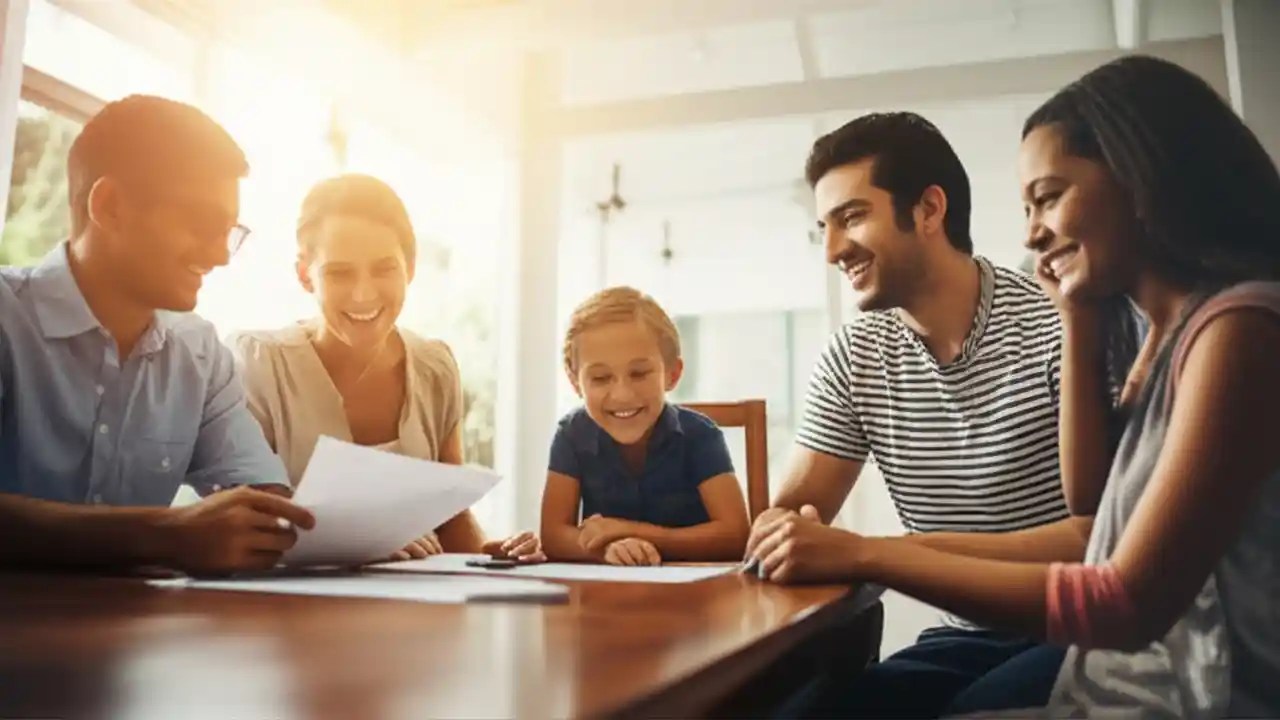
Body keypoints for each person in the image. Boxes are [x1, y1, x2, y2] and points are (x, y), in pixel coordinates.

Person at [749, 55, 1280, 718]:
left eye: (1049, 198)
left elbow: (1111, 576)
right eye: (1027, 206)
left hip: (1168, 670)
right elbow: (1097, 500)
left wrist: (875, 553)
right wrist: (1079, 317)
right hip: (1040, 643)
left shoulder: (1236, 329)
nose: (1029, 234)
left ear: (1138, 180)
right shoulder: (1155, 337)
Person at [751, 111, 1092, 717]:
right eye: (824, 227)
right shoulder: (856, 354)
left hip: (1071, 626)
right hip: (964, 635)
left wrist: (874, 551)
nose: (832, 250)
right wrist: (787, 532)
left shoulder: (1054, 323)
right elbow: (790, 520)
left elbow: (1098, 539)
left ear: (929, 210)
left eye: (852, 217)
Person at [0, 95, 313, 575]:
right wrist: (161, 534)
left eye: (229, 231)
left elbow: (264, 497)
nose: (222, 256)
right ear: (109, 206)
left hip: (132, 642)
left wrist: (349, 527)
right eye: (203, 224)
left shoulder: (201, 354)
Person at [231, 174, 541, 562]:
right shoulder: (261, 364)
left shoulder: (435, 367)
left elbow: (449, 517)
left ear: (410, 268)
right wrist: (363, 539)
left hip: (413, 608)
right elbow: (244, 519)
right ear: (305, 275)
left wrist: (489, 555)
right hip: (293, 609)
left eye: (384, 269)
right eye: (340, 273)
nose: (364, 293)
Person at [540, 286, 750, 566]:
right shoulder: (571, 435)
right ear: (575, 381)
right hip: (607, 599)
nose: (622, 394)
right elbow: (553, 535)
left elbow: (736, 535)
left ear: (672, 374)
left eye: (639, 373)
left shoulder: (701, 436)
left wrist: (631, 532)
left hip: (696, 599)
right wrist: (607, 549)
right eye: (601, 378)